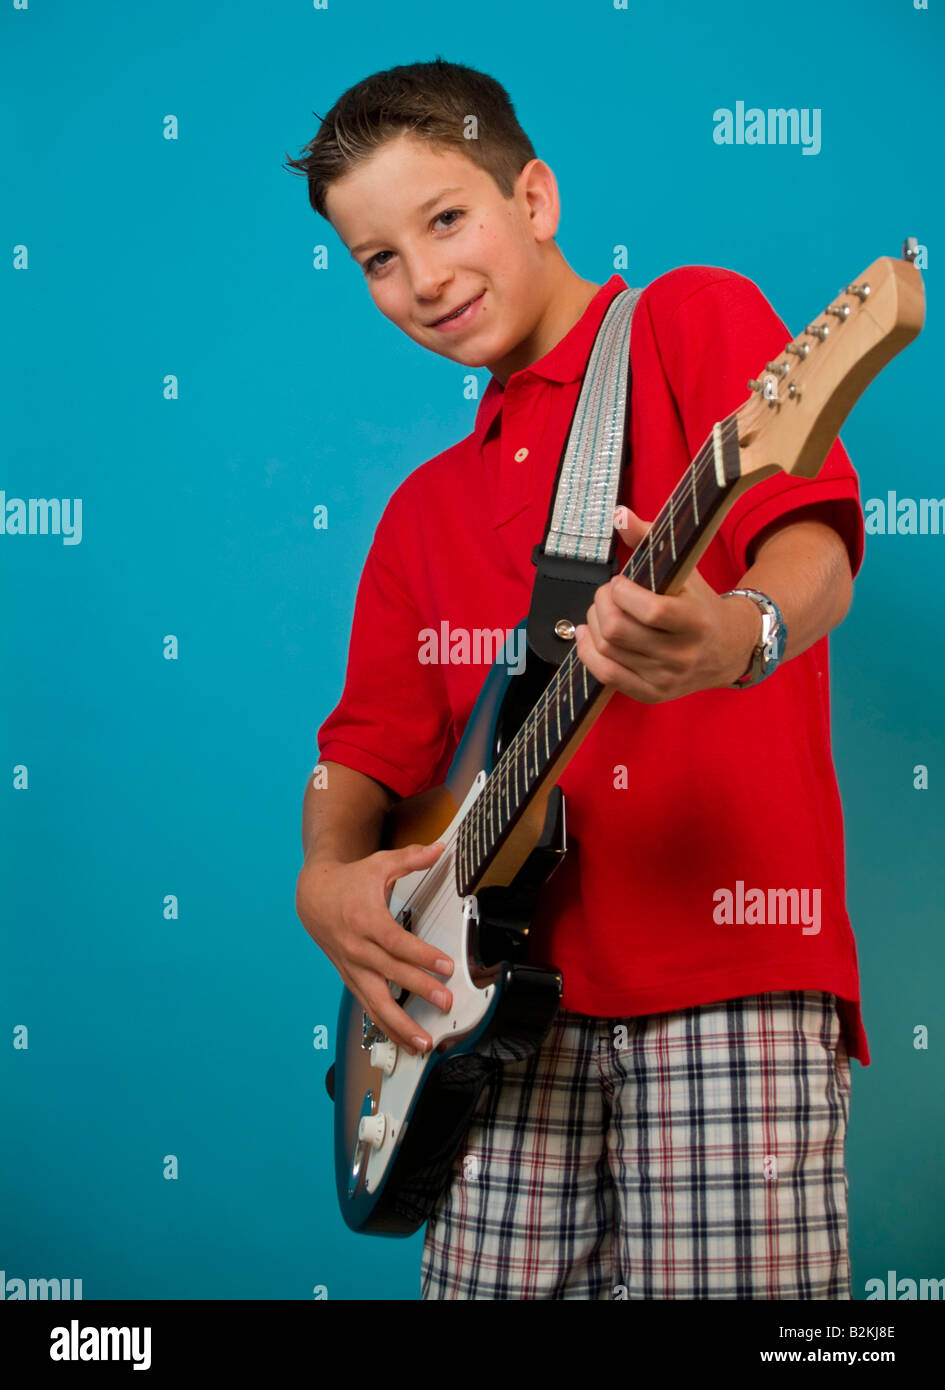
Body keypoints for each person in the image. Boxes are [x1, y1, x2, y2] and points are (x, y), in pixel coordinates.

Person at [285, 57, 868, 1300]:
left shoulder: (686, 325)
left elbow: (812, 536)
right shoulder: (418, 513)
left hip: (723, 981)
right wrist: (327, 876)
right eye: (378, 258)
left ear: (535, 197)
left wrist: (742, 630)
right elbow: (366, 750)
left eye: (446, 219)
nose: (425, 278)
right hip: (485, 1027)